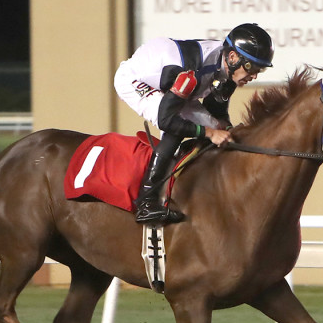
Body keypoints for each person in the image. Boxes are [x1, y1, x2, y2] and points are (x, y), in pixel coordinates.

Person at [113, 22, 274, 224]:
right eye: (252, 67)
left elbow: (217, 113)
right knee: (178, 127)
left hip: (174, 78)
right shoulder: (192, 72)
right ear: (233, 57)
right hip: (136, 79)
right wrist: (208, 133)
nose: (255, 76)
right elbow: (167, 120)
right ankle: (147, 202)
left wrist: (226, 130)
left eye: (260, 70)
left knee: (217, 127)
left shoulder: (229, 68)